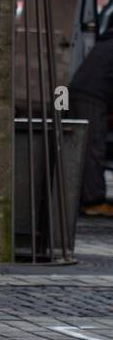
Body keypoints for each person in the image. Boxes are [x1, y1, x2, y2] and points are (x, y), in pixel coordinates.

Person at [70, 24, 113, 216]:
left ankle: (76, 197)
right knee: (93, 148)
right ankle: (93, 202)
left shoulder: (106, 42)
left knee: (79, 148)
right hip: (93, 97)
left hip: (77, 92)